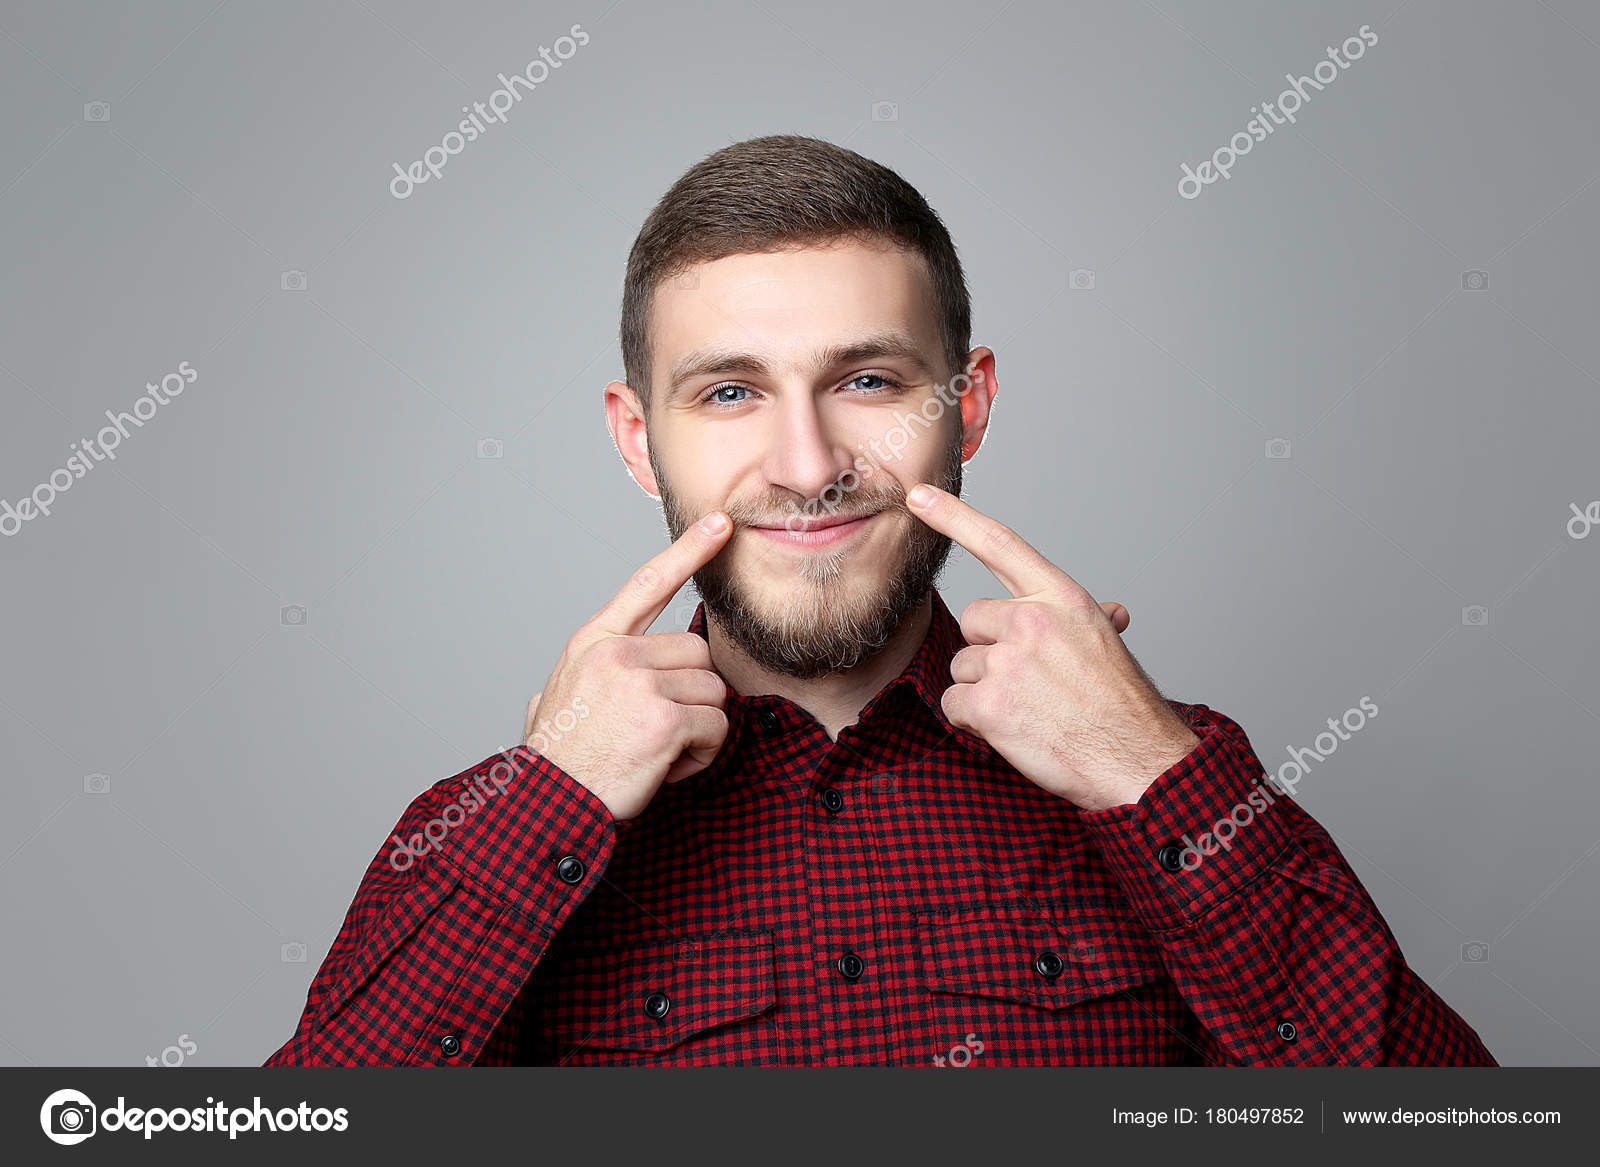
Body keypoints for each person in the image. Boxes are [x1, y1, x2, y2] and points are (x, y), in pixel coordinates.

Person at [265, 135, 1494, 1066]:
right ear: (638, 441)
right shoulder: (486, 832)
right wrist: (547, 806)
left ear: (968, 405)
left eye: (866, 380)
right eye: (730, 393)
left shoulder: (1169, 780)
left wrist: (1148, 772)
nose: (807, 465)